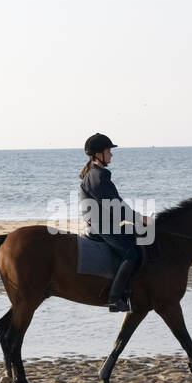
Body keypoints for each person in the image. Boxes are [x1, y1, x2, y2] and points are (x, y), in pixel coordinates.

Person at [79, 132, 147, 312]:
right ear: (98, 154)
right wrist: (140, 218)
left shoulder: (99, 174)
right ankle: (115, 298)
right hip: (101, 226)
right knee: (130, 254)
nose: (111, 154)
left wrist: (137, 219)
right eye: (108, 150)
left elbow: (117, 204)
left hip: (107, 222)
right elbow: (115, 206)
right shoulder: (97, 176)